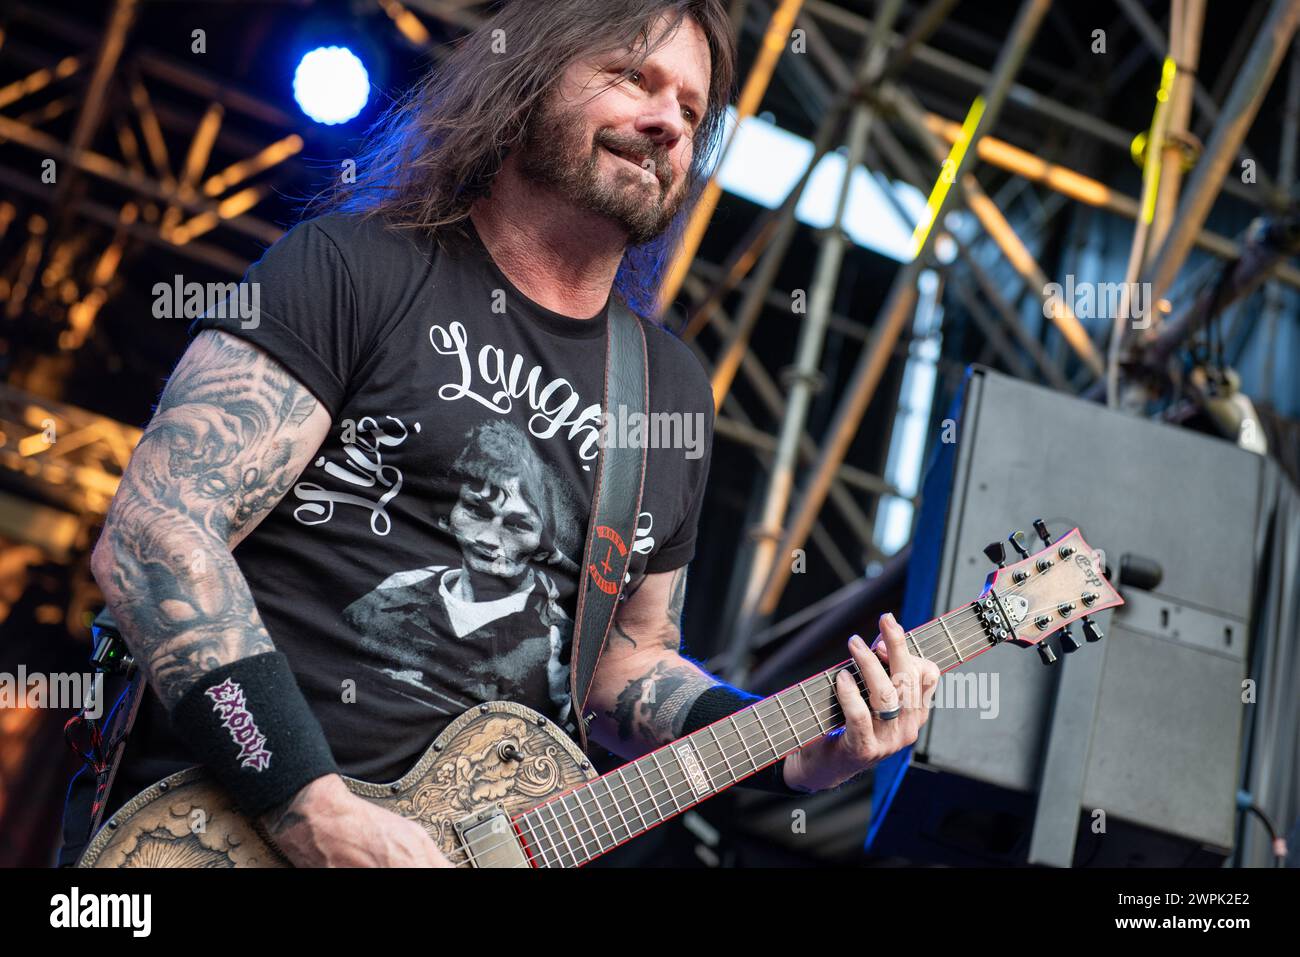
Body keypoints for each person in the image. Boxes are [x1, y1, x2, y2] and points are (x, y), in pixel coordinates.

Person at [67, 0, 939, 868]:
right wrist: (312, 808)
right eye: (633, 76)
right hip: (228, 835)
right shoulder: (354, 266)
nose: (667, 120)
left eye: (691, 108)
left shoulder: (666, 392)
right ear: (531, 74)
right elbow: (155, 534)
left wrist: (792, 747)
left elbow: (624, 666)